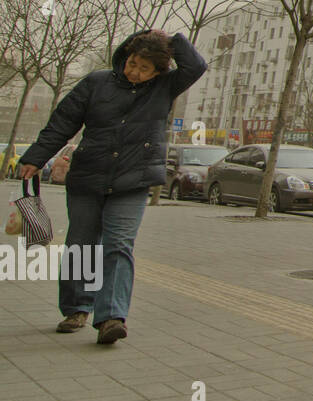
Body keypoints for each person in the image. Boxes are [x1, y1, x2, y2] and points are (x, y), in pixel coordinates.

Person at [19, 29, 207, 345]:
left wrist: (170, 41)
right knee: (81, 243)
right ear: (125, 56)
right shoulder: (96, 83)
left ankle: (111, 318)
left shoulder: (164, 87)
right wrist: (36, 157)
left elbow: (196, 67)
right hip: (88, 177)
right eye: (132, 62)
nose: (134, 71)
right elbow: (63, 122)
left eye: (144, 68)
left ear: (158, 71)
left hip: (133, 181)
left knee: (118, 245)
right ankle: (77, 308)